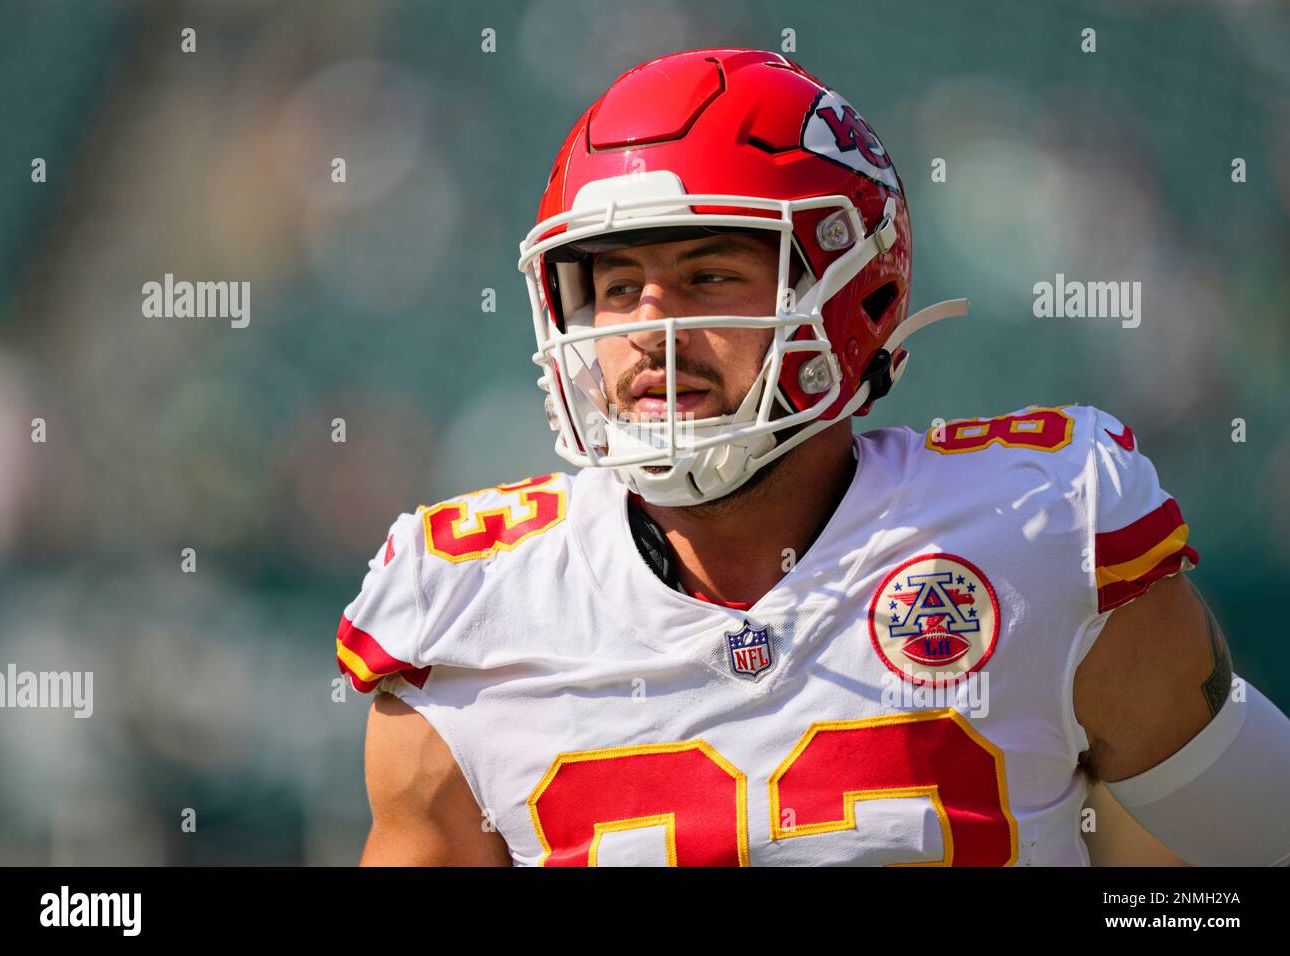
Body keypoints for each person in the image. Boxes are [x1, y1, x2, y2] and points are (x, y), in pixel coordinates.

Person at [337, 48, 1290, 866]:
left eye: (708, 276)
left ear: (860, 296)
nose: (651, 331)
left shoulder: (1039, 531)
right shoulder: (463, 609)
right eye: (618, 287)